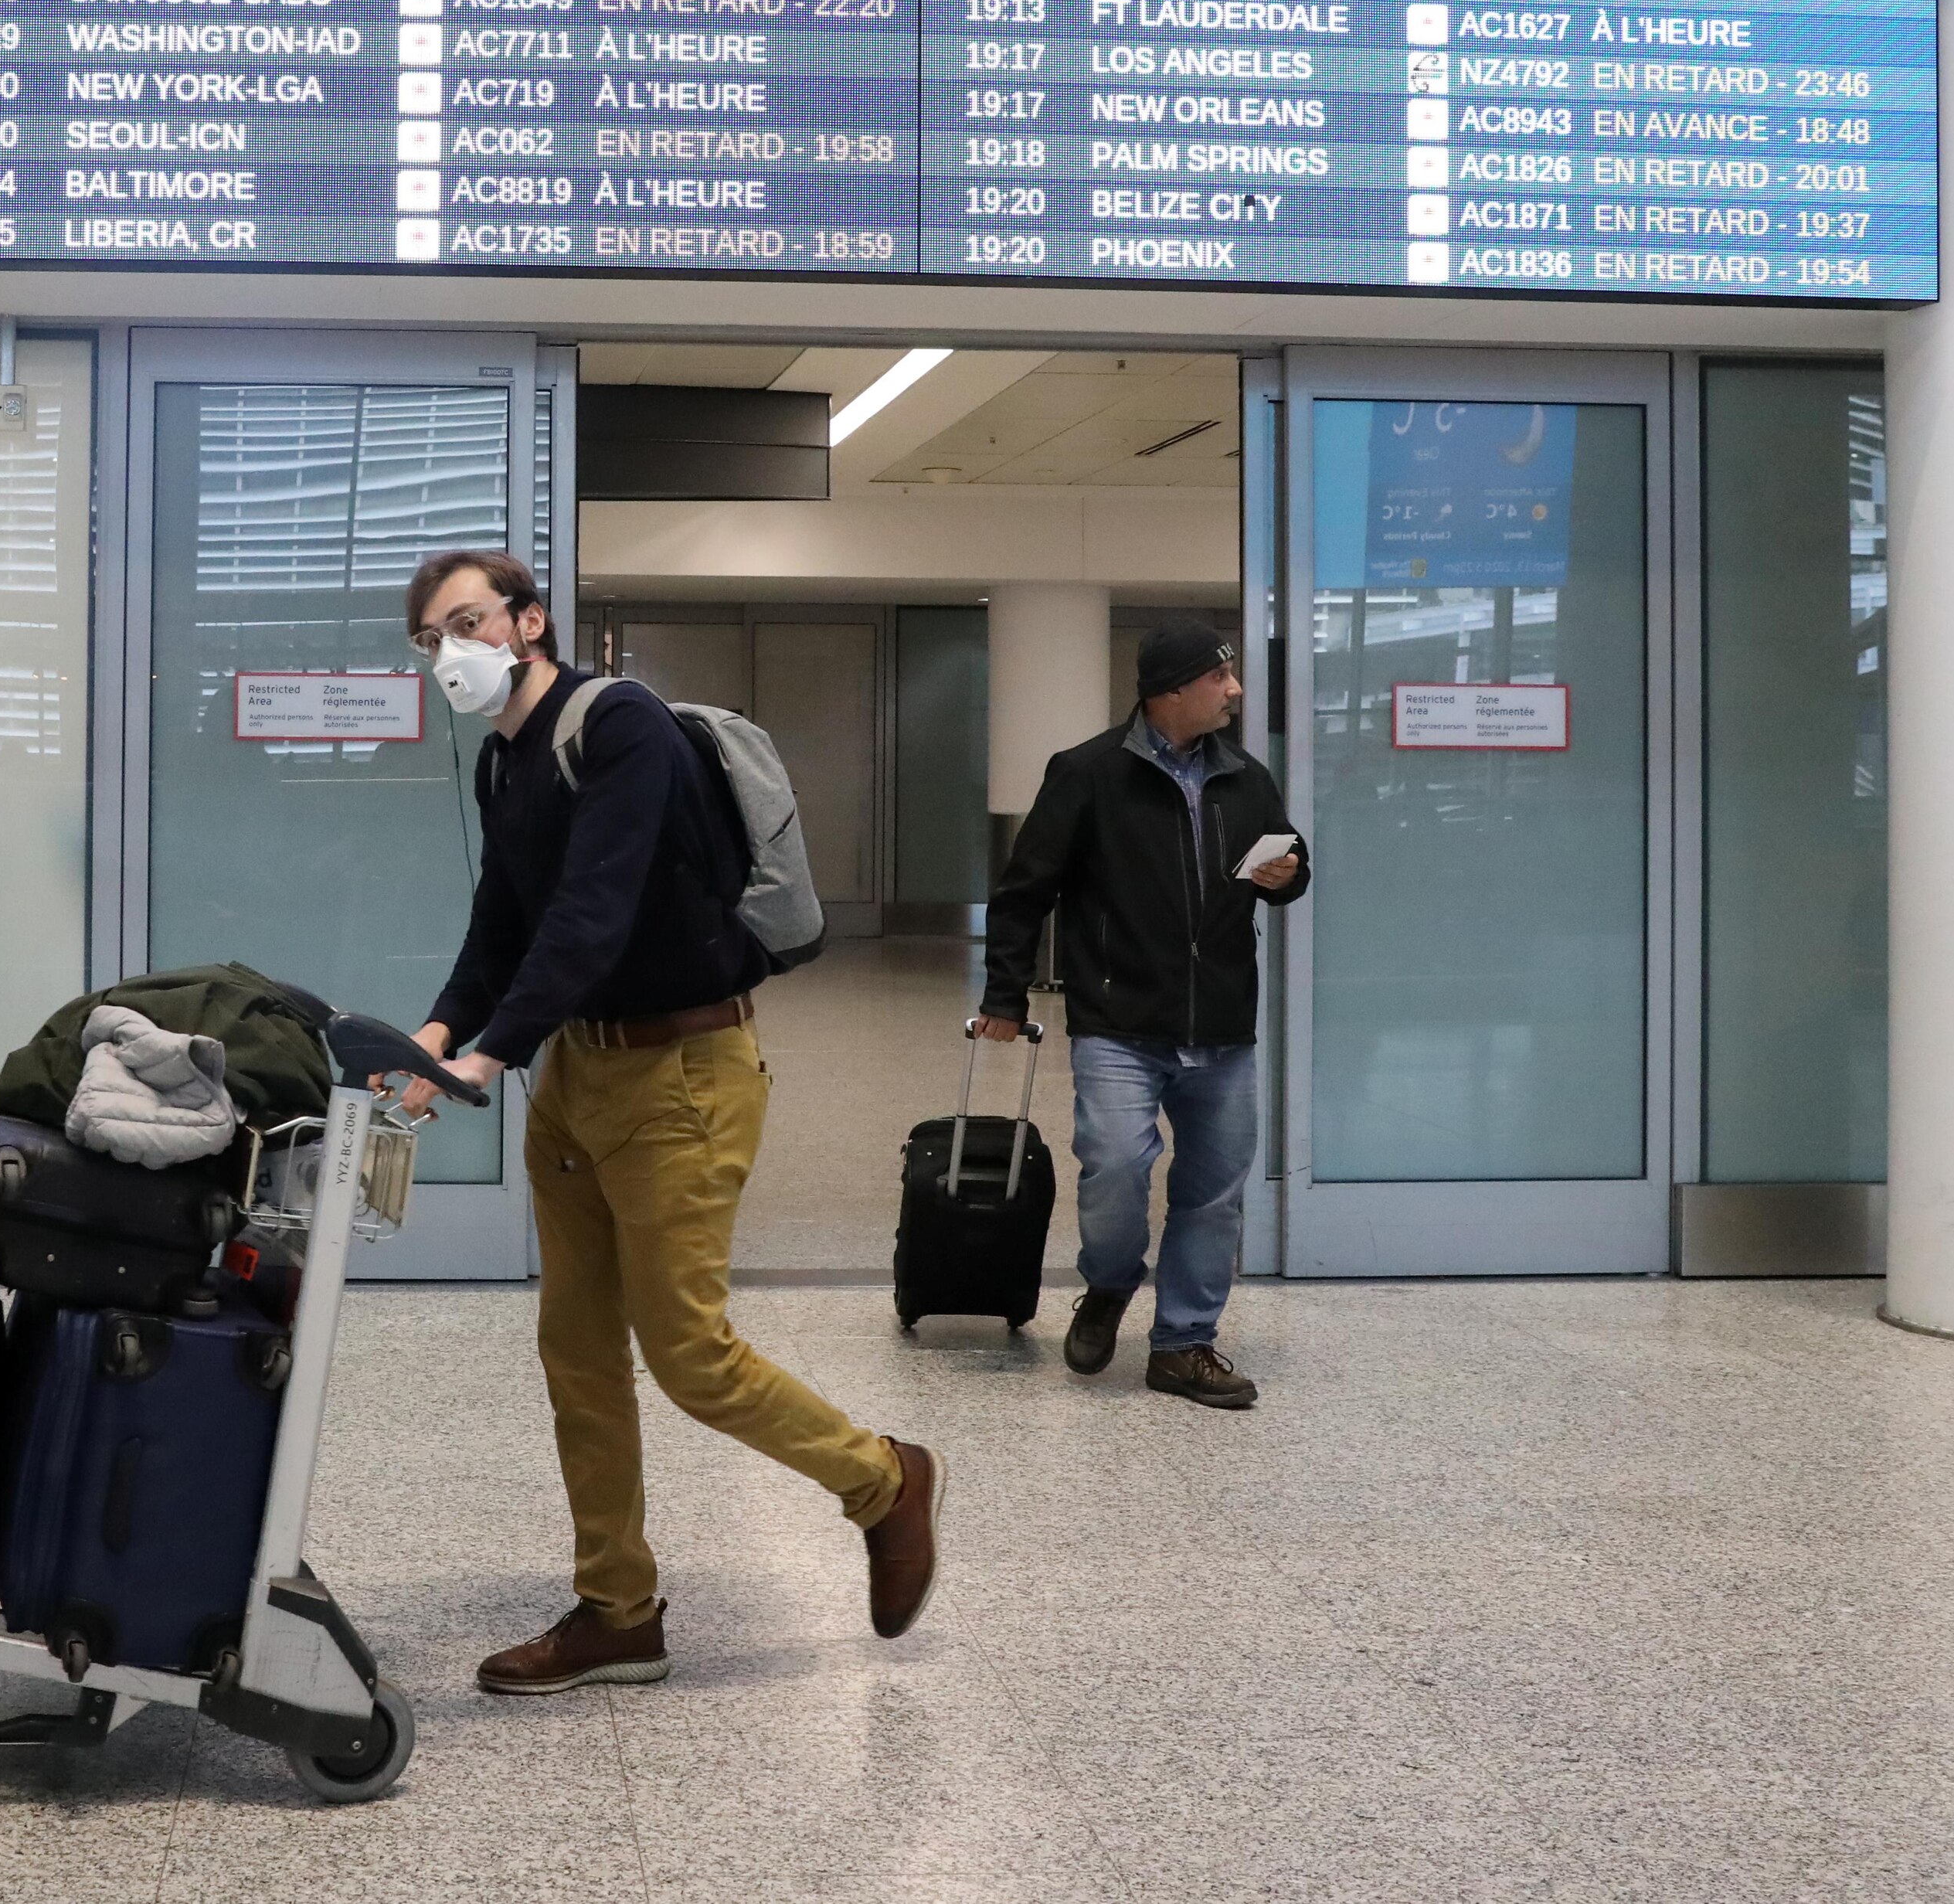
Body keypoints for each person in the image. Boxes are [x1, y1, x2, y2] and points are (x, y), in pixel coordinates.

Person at [390, 547, 944, 1696]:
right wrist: (437, 1037)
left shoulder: (621, 726)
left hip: (683, 1072)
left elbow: (594, 914)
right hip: (583, 1080)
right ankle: (617, 1611)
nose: (453, 650)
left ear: (529, 622)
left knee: (689, 1353)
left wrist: (498, 1048)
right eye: (432, 637)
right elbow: (501, 927)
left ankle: (884, 1481)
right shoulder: (504, 764)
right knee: (578, 1356)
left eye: (469, 622)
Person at [977, 615, 1308, 1406]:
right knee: (1118, 1169)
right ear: (1170, 692)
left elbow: (1288, 858)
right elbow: (1026, 892)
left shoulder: (1244, 775)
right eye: (1217, 678)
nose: (1231, 692)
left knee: (1211, 1193)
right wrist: (1002, 991)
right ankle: (1110, 1284)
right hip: (1119, 1021)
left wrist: (1288, 874)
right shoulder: (1087, 772)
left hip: (1222, 1025)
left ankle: (1183, 1343)